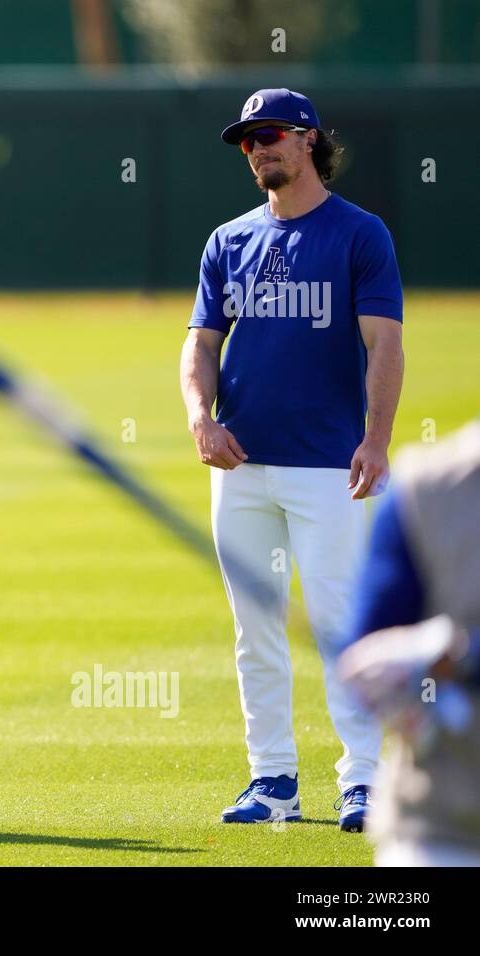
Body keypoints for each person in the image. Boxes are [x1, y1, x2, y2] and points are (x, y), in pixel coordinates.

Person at [178, 88, 404, 829]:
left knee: (342, 621)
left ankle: (364, 780)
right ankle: (272, 779)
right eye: (247, 141)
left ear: (309, 141)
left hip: (329, 467)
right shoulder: (227, 240)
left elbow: (385, 344)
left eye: (270, 135)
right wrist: (199, 419)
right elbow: (202, 344)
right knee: (256, 628)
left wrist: (376, 437)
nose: (258, 149)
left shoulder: (359, 234)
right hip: (241, 466)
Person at [338, 422, 480, 865]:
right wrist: (401, 681)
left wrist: (460, 653)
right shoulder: (425, 488)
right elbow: (371, 647)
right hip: (443, 834)